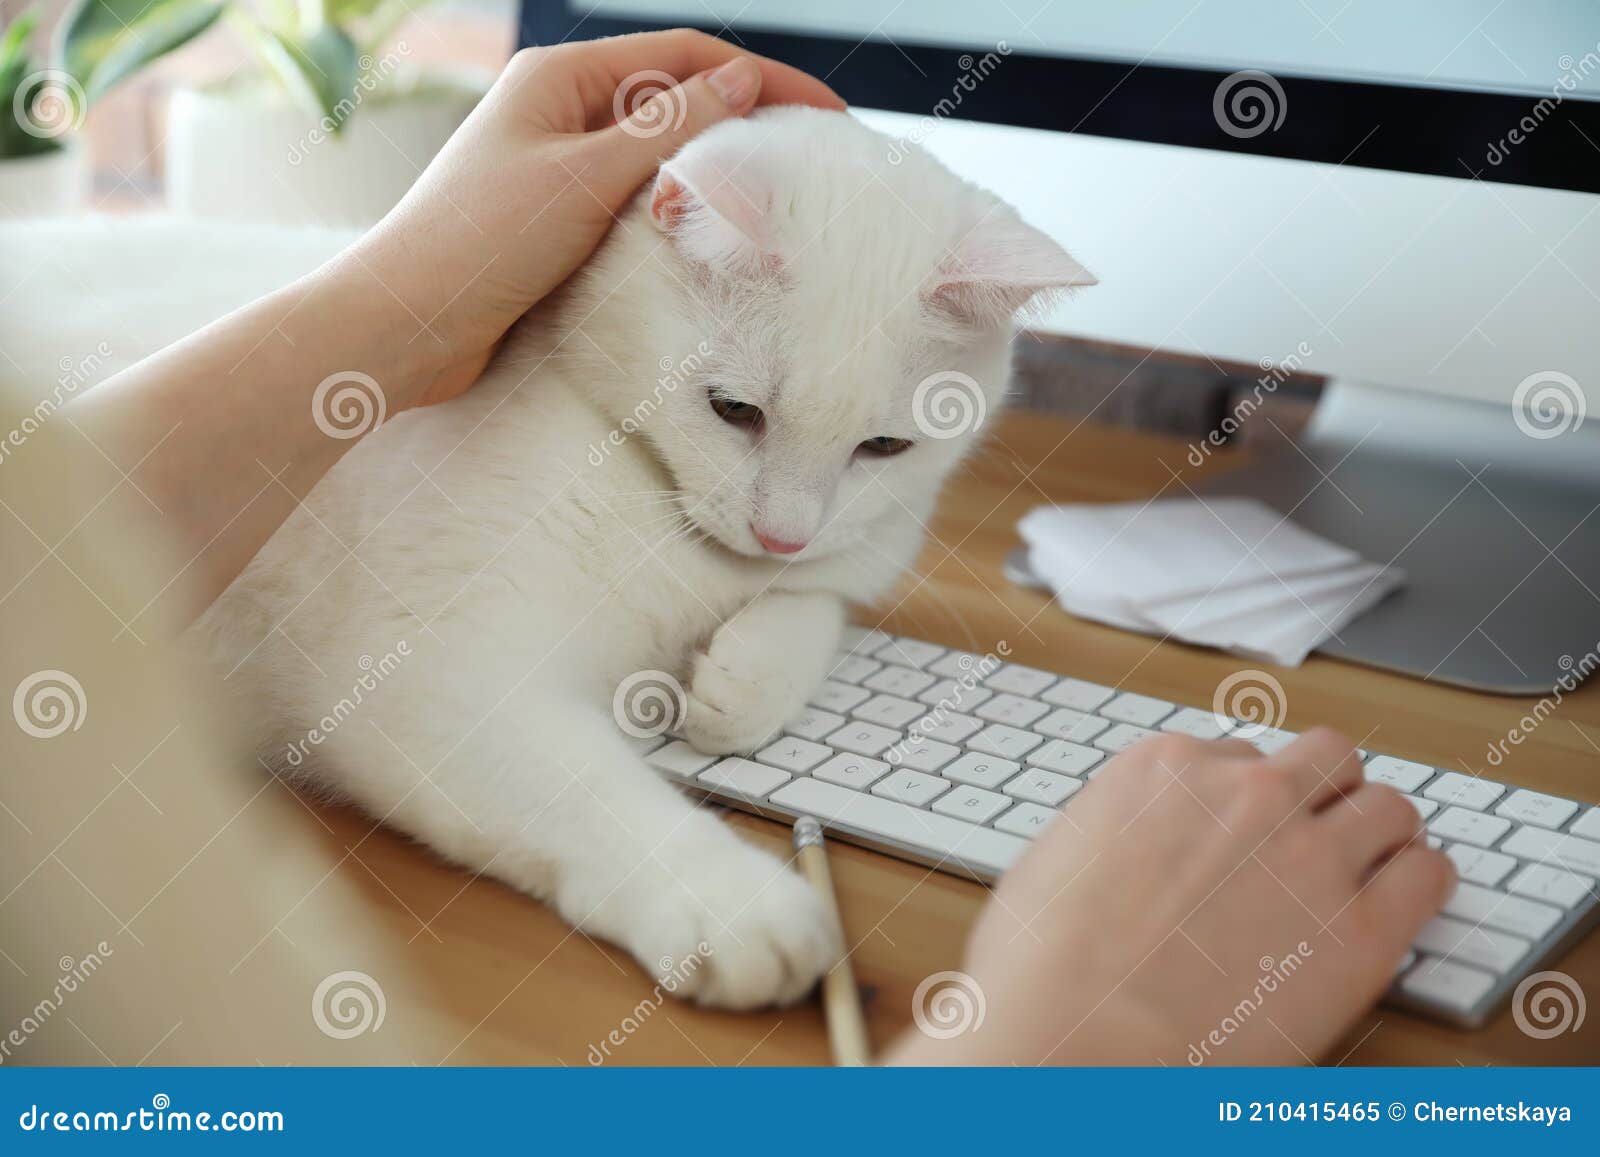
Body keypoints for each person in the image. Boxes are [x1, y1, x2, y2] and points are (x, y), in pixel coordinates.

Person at [59, 30, 1453, 1065]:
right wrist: (672, 874)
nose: (785, 521)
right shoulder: (539, 418)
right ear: (661, 231)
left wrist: (804, 611)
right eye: (734, 410)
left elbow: (808, 550)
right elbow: (417, 685)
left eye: (883, 453)